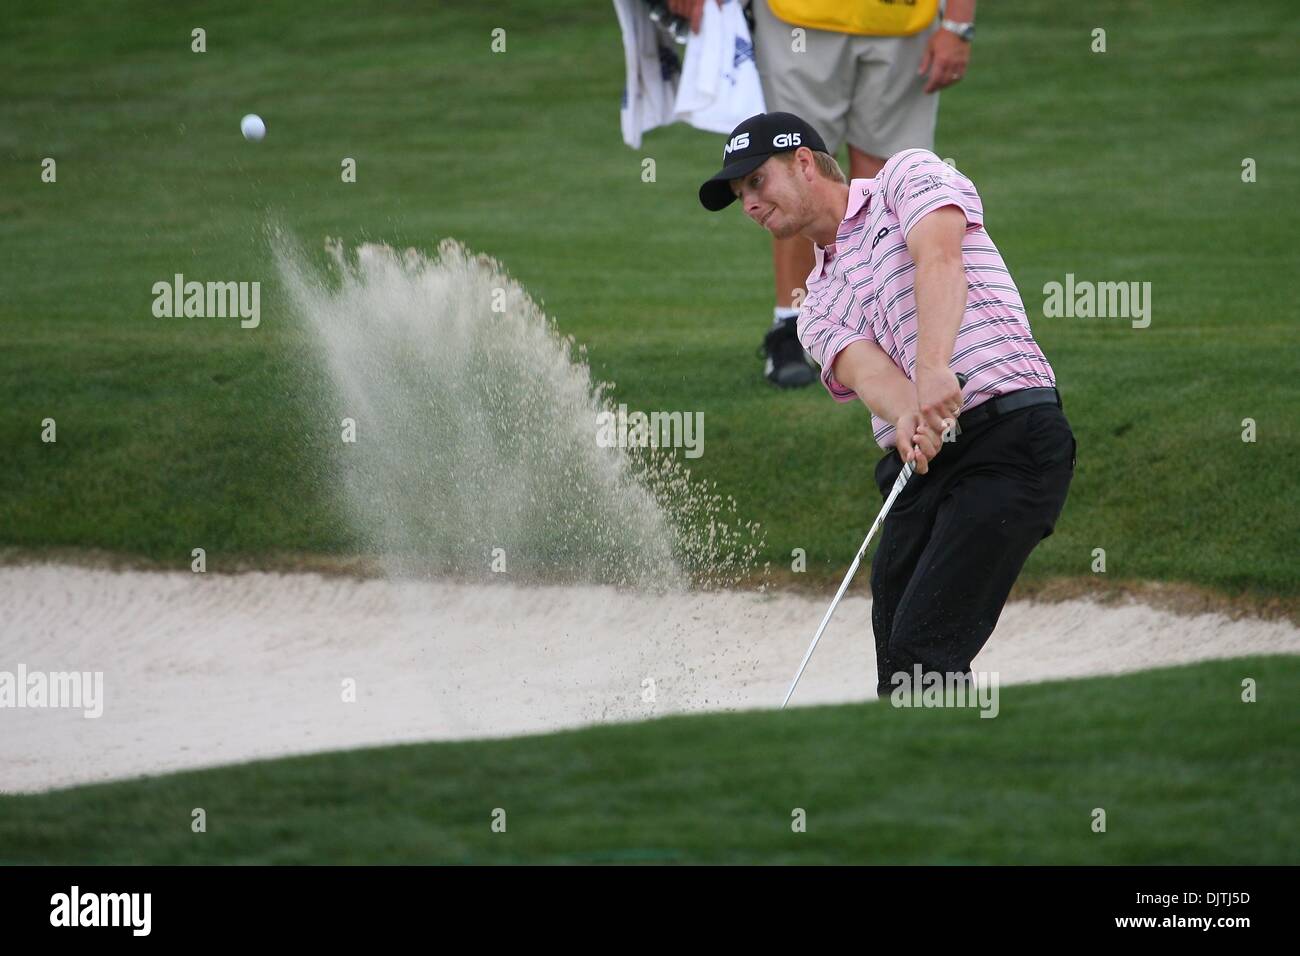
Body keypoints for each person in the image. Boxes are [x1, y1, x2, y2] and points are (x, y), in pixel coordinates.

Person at [698, 111, 1075, 696]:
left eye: (756, 182)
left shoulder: (907, 176)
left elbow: (941, 259)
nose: (748, 203)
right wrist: (909, 416)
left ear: (803, 162)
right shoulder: (816, 306)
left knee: (926, 648)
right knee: (900, 662)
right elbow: (882, 386)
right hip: (926, 469)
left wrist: (933, 366)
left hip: (1013, 436)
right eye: (739, 194)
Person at [673, 0, 976, 388]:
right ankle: (793, 324)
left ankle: (886, 326)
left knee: (887, 174)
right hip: (796, 13)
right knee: (789, 173)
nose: (745, 207)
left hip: (904, 14)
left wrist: (958, 24)